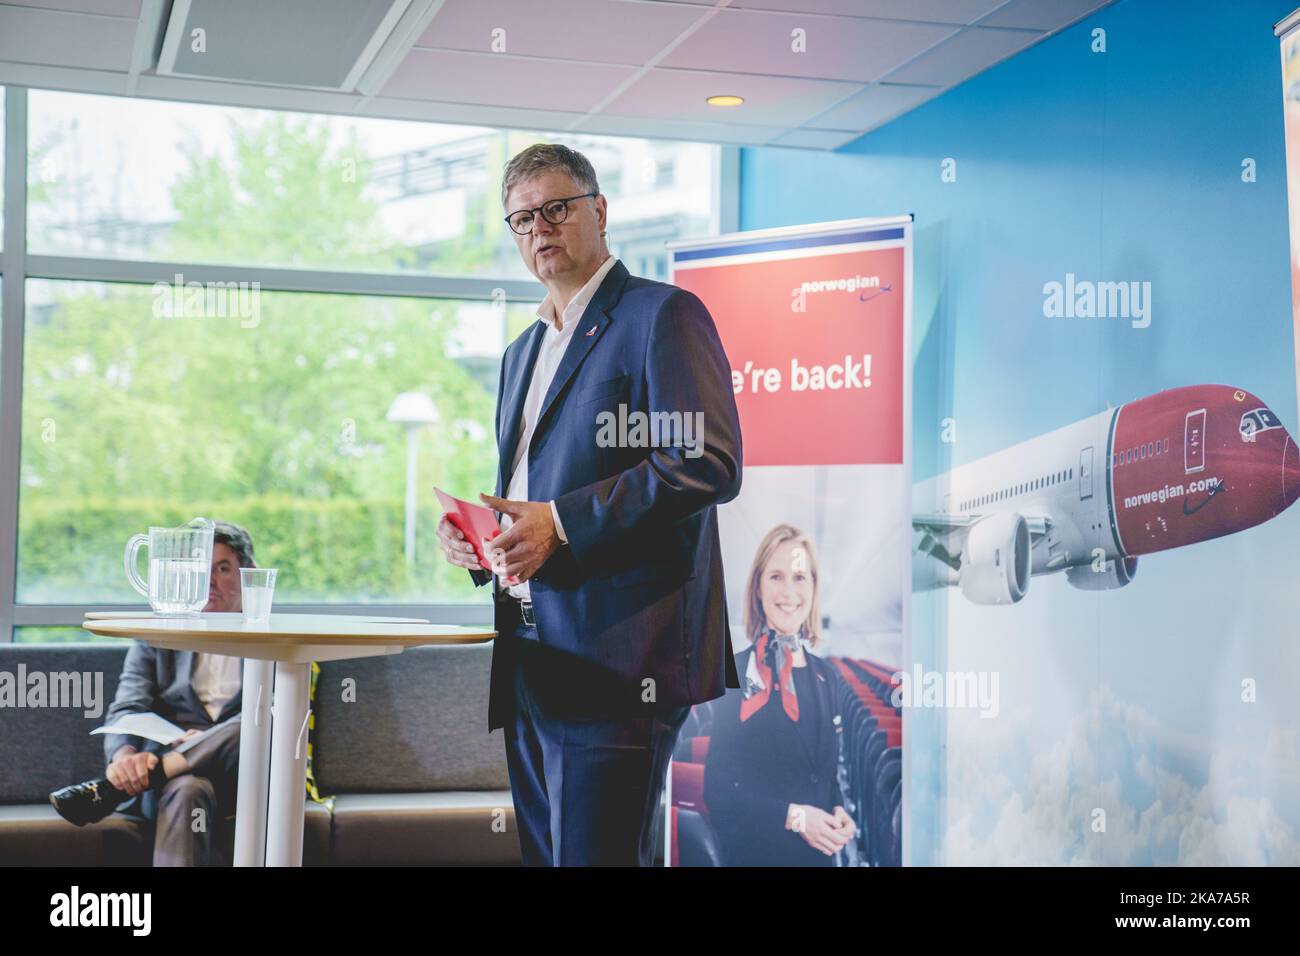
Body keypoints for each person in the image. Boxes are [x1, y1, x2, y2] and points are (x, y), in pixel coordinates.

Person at [436, 143, 742, 866]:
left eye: (555, 209)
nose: (538, 229)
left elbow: (705, 461)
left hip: (619, 655)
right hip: (531, 655)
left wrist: (562, 523)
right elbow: (532, 492)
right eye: (520, 220)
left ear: (599, 211)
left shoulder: (661, 316)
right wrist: (485, 544)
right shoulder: (521, 351)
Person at [48, 521, 257, 867]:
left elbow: (287, 718)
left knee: (258, 722)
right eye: (202, 569)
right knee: (189, 790)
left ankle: (140, 779)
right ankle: (163, 771)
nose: (210, 582)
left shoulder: (274, 638)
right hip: (174, 783)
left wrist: (206, 740)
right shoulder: (158, 637)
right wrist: (124, 759)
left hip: (244, 772)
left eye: (223, 568)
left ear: (247, 574)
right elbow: (129, 705)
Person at [703, 524, 856, 866]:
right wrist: (797, 818)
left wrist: (838, 811)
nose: (789, 591)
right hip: (759, 855)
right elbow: (719, 791)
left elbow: (826, 778)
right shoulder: (736, 675)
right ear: (757, 587)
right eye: (776, 576)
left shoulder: (826, 676)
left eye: (800, 577)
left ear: (814, 588)